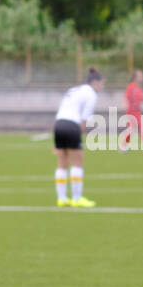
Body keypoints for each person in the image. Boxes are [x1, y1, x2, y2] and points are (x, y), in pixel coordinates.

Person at [52, 67, 102, 207]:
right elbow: (84, 119)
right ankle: (76, 198)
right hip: (72, 125)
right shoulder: (91, 94)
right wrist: (77, 137)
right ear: (95, 82)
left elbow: (62, 110)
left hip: (59, 124)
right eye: (102, 83)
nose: (102, 87)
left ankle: (61, 199)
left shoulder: (74, 90)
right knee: (77, 161)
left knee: (62, 161)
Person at [119, 69, 143, 152]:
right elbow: (126, 97)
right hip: (131, 111)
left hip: (137, 112)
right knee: (134, 129)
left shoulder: (138, 88)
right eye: (140, 76)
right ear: (135, 78)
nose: (142, 77)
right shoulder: (131, 87)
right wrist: (124, 104)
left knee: (136, 129)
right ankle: (123, 146)